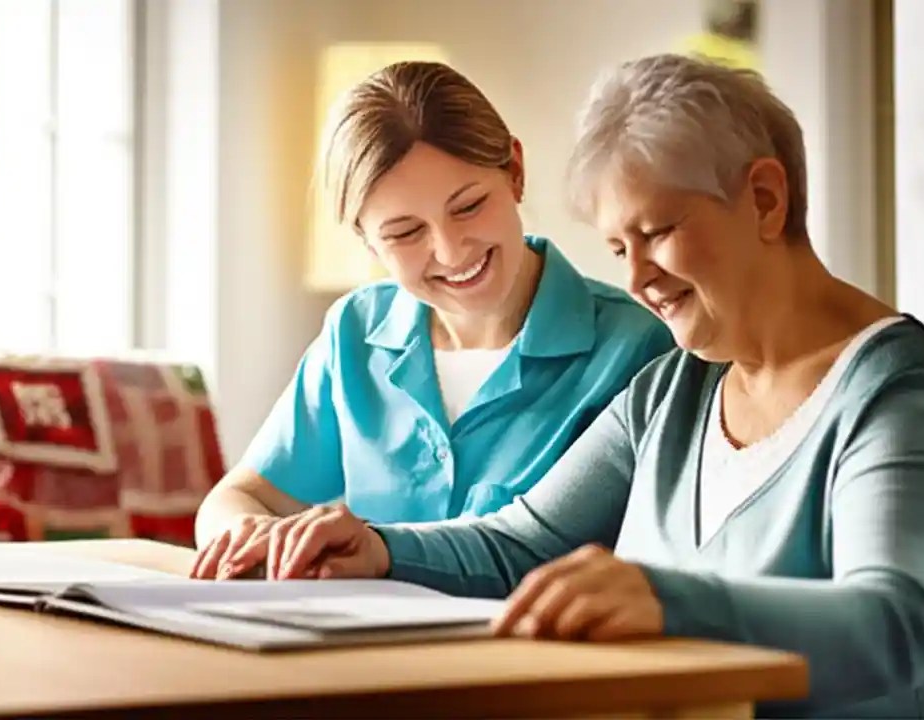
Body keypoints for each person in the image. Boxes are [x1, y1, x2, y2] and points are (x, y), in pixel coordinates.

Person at [256, 54, 924, 719]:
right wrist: (379, 549)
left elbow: (897, 626)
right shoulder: (674, 388)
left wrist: (661, 599)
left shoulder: (895, 389)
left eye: (658, 232)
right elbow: (522, 543)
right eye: (619, 248)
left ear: (765, 199)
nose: (637, 280)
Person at [190, 61, 674, 580]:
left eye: (468, 207)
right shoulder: (356, 333)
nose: (449, 249)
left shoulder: (637, 349)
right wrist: (252, 536)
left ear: (515, 171)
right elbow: (239, 497)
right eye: (404, 233)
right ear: (366, 240)